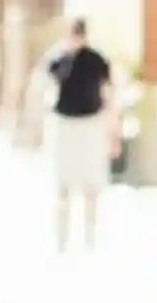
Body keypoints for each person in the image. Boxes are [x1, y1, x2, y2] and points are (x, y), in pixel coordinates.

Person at [46, 17, 120, 252]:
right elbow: (46, 91)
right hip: (65, 124)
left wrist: (113, 131)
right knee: (63, 186)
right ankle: (62, 242)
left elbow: (108, 95)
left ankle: (90, 239)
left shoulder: (96, 61)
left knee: (91, 186)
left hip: (90, 124)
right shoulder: (58, 60)